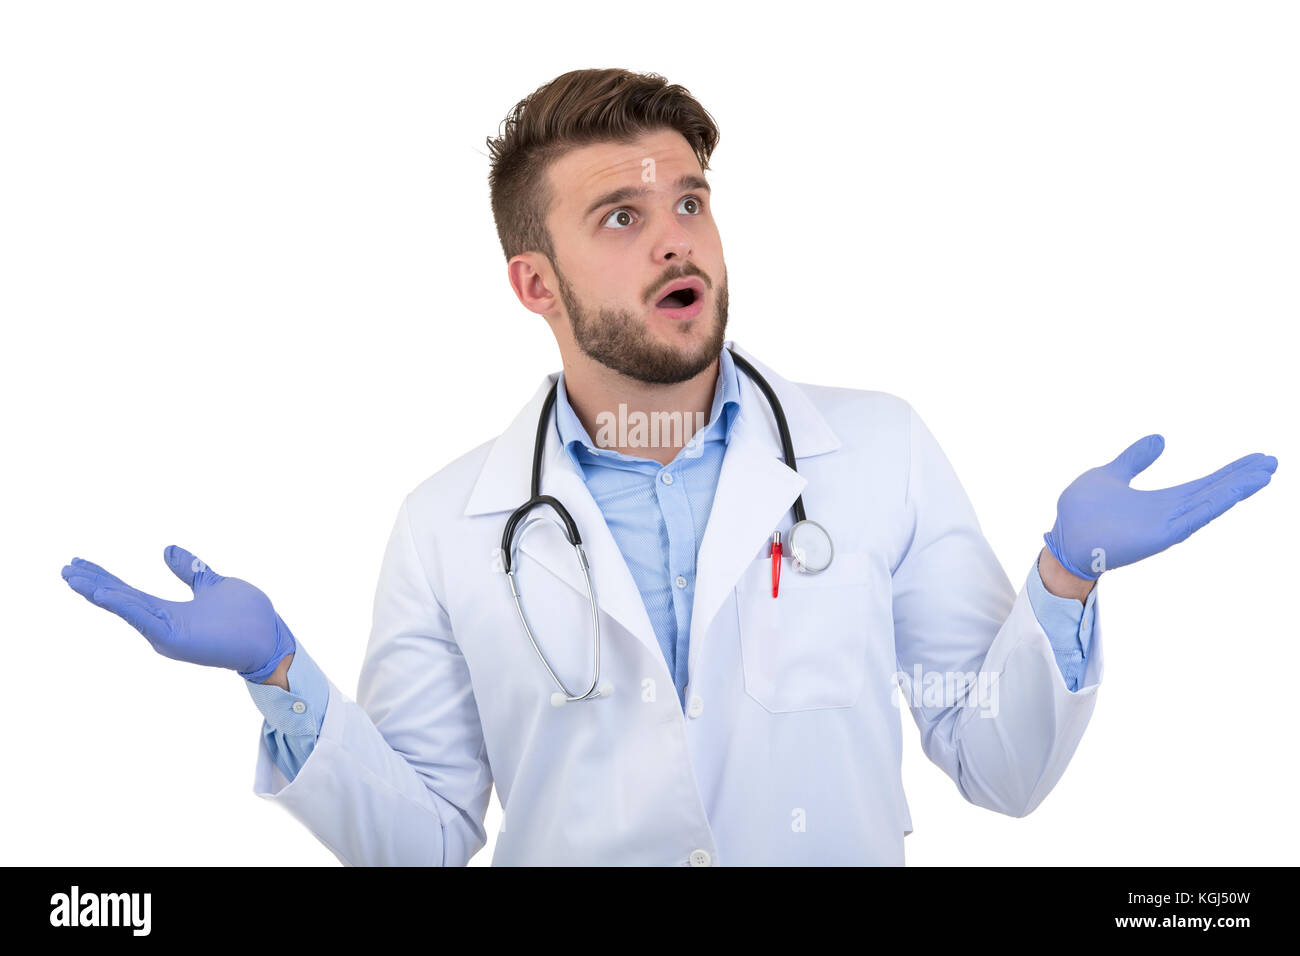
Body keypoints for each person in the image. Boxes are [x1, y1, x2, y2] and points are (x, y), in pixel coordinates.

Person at [61, 68, 1278, 866]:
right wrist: (280, 673)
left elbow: (997, 764)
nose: (676, 238)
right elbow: (425, 837)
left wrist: (1066, 575)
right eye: (620, 218)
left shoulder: (882, 451)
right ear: (533, 284)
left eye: (689, 201)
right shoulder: (445, 525)